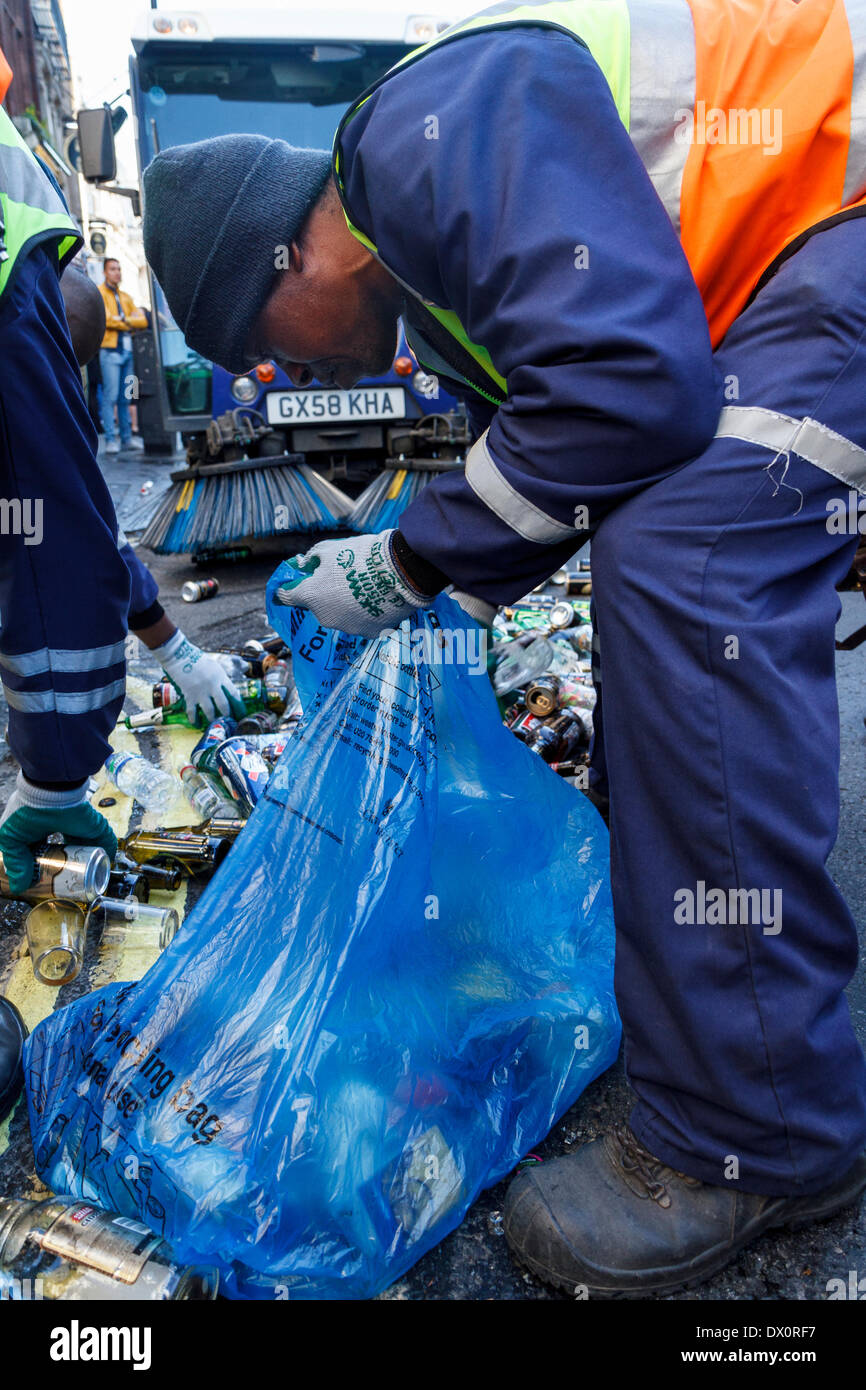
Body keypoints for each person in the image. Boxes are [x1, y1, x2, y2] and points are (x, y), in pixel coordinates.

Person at [142, 0, 866, 1297]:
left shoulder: (426, 133)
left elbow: (624, 395)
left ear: (287, 263)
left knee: (685, 565)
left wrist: (409, 560)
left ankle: (759, 1135)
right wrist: (436, 593)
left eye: (267, 350)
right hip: (788, 268)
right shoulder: (436, 277)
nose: (288, 380)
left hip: (834, 226)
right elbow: (564, 457)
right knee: (662, 541)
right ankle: (744, 1054)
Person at [0, 75, 239, 902]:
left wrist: (171, 645)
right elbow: (55, 548)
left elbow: (71, 524)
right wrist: (57, 785)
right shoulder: (17, 303)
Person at [97, 257, 147, 454]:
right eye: (112, 269)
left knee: (128, 396)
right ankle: (111, 439)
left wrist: (122, 319)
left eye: (118, 269)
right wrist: (128, 321)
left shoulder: (126, 296)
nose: (117, 272)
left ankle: (127, 439)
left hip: (128, 352)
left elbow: (143, 321)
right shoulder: (99, 293)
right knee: (110, 397)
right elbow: (106, 319)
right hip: (110, 351)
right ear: (105, 272)